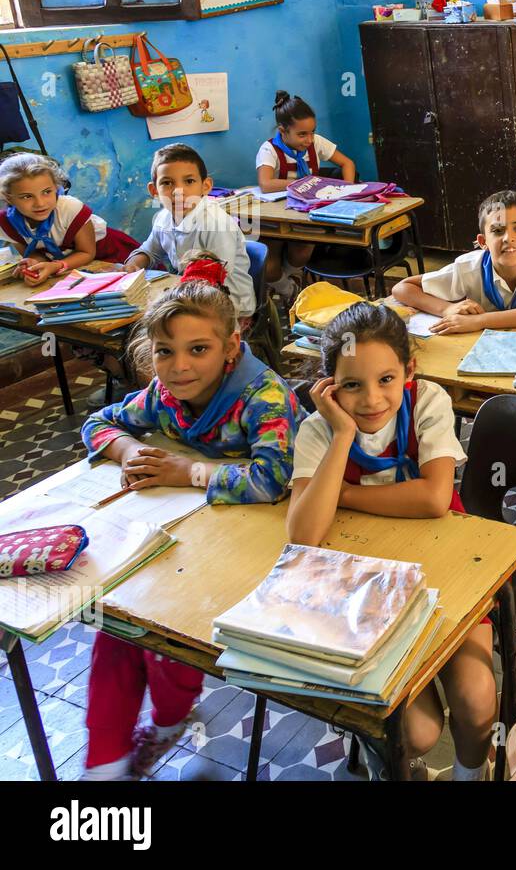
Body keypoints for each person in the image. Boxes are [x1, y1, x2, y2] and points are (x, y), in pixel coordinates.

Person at [80, 256, 302, 779]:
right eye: (165, 352)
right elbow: (99, 422)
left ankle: (170, 718)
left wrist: (189, 471)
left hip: (261, 552)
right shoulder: (162, 395)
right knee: (115, 622)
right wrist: (127, 451)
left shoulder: (264, 397)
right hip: (184, 537)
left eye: (198, 349)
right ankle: (105, 758)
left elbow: (274, 480)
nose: (179, 366)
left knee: (159, 625)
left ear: (230, 347)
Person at [287, 303, 494, 781]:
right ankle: (399, 766)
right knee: (416, 731)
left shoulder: (428, 401)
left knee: (476, 693)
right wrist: (341, 435)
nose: (371, 399)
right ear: (328, 386)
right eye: (352, 385)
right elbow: (303, 534)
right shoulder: (320, 430)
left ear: (409, 371)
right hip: (365, 587)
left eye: (386, 379)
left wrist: (343, 494)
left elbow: (435, 498)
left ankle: (471, 774)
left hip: (447, 568)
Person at [392, 190, 516, 334]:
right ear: (483, 242)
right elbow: (401, 288)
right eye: (498, 231)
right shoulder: (468, 267)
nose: (508, 238)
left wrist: (479, 321)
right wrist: (445, 309)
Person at [123, 144, 256, 323]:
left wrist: (168, 297)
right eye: (167, 183)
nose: (179, 192)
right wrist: (133, 265)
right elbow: (150, 250)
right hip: (190, 294)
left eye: (189, 181)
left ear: (205, 186)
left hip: (229, 308)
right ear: (154, 191)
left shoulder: (215, 225)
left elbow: (212, 279)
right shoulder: (163, 218)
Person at [255, 91, 357, 300]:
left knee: (301, 252)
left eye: (312, 132)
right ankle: (290, 290)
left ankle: (291, 287)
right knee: (270, 265)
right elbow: (265, 184)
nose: (309, 139)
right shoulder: (269, 149)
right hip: (274, 218)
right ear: (283, 131)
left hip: (306, 215)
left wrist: (346, 191)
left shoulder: (316, 143)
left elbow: (347, 163)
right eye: (302, 134)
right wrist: (303, 183)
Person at [0, 153, 135, 282]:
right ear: (8, 198)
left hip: (110, 255)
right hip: (69, 269)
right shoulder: (6, 224)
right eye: (27, 196)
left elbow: (87, 253)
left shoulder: (69, 208)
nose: (40, 203)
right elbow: (34, 253)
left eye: (47, 192)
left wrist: (56, 266)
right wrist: (33, 264)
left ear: (56, 188)